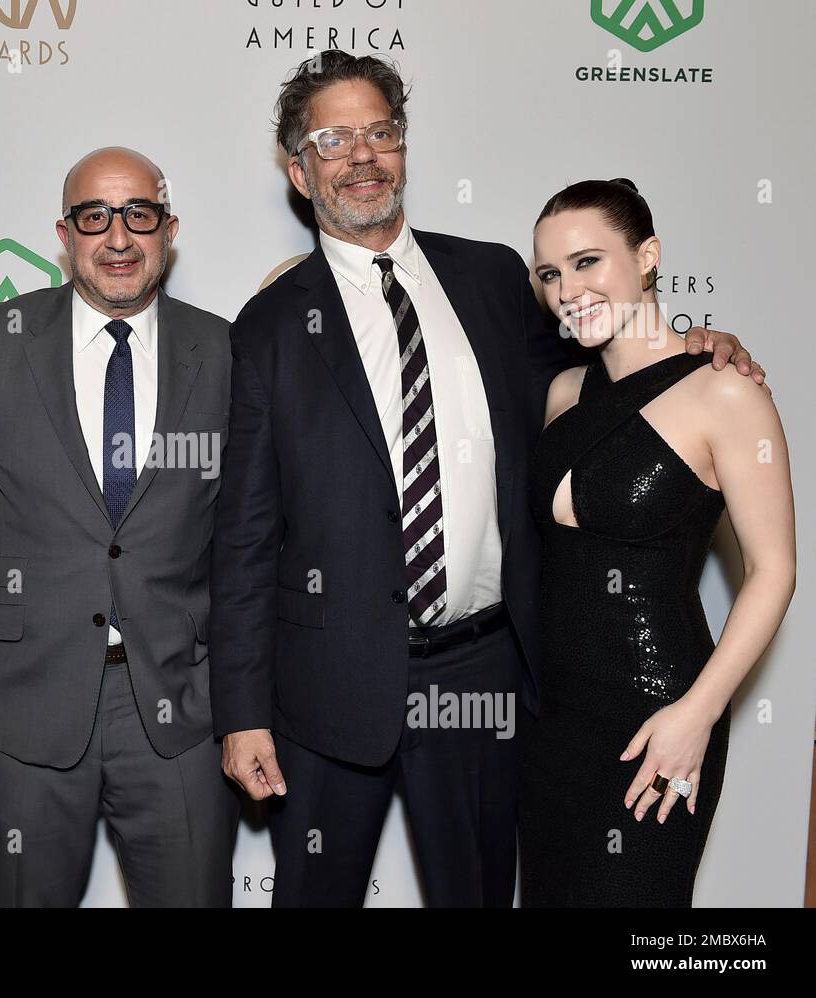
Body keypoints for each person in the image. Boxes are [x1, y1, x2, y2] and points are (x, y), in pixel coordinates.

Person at [208, 50, 766, 907]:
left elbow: (610, 372)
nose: (363, 155)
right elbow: (243, 537)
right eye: (334, 138)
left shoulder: (495, 278)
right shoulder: (272, 324)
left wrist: (701, 343)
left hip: (484, 675)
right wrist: (243, 710)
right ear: (298, 167)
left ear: (404, 146)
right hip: (326, 685)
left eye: (381, 132)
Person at [0, 147, 239, 906]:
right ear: (64, 233)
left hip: (180, 706)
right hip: (26, 703)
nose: (119, 238)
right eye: (95, 217)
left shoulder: (227, 347)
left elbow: (252, 530)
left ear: (170, 229)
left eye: (140, 214)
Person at [519, 178, 794, 906]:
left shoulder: (726, 392)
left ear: (647, 256)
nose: (567, 288)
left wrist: (695, 716)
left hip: (658, 714)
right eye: (550, 273)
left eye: (587, 262)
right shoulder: (564, 394)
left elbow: (774, 572)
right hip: (555, 725)